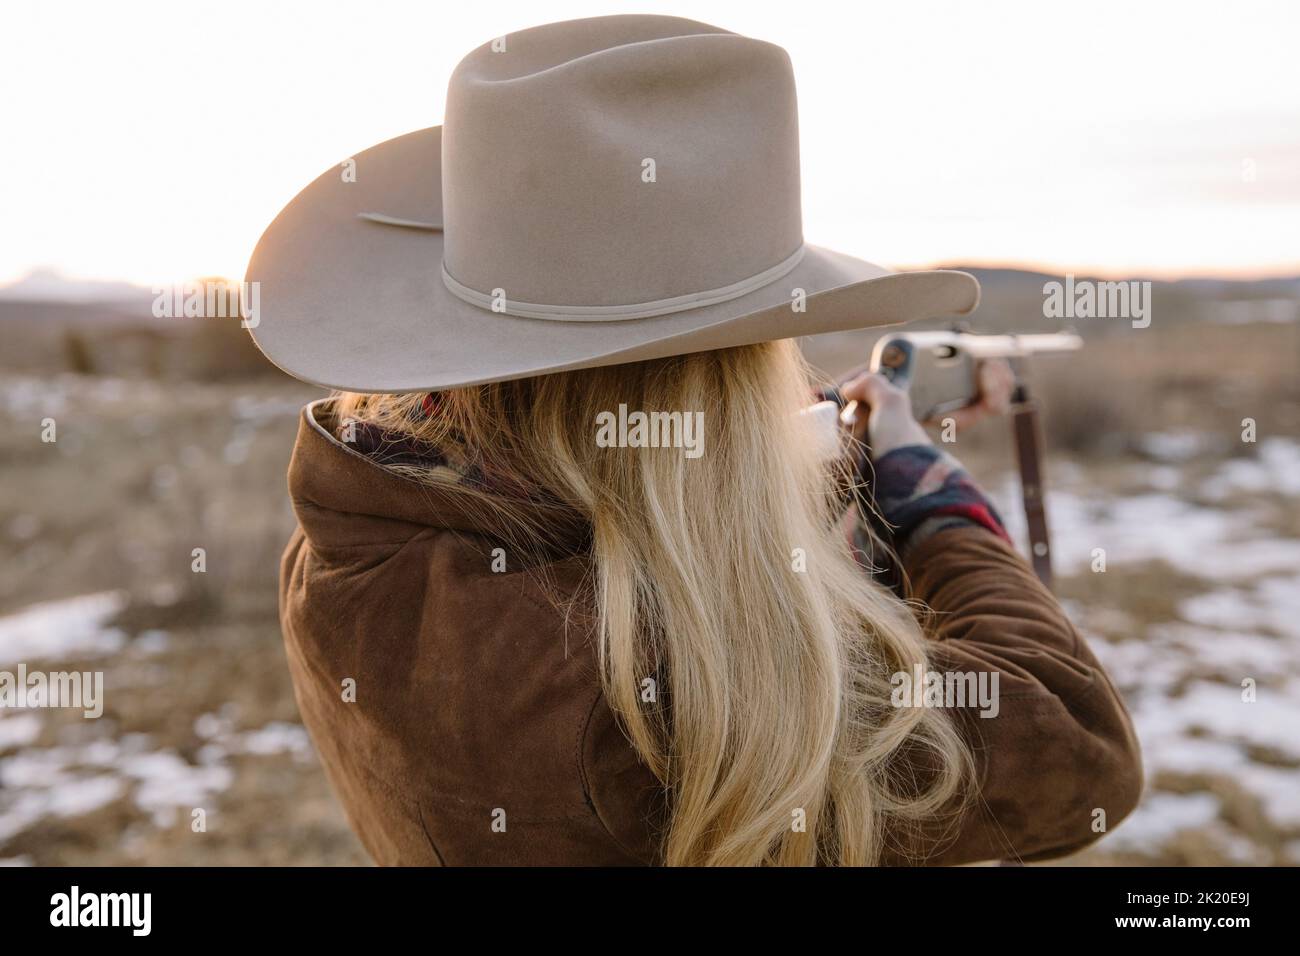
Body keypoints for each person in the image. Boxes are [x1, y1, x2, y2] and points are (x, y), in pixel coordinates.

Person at [247, 15, 1141, 866]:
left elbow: (621, 497)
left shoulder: (356, 528)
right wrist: (922, 488)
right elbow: (1079, 741)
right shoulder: (651, 711)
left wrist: (840, 439)